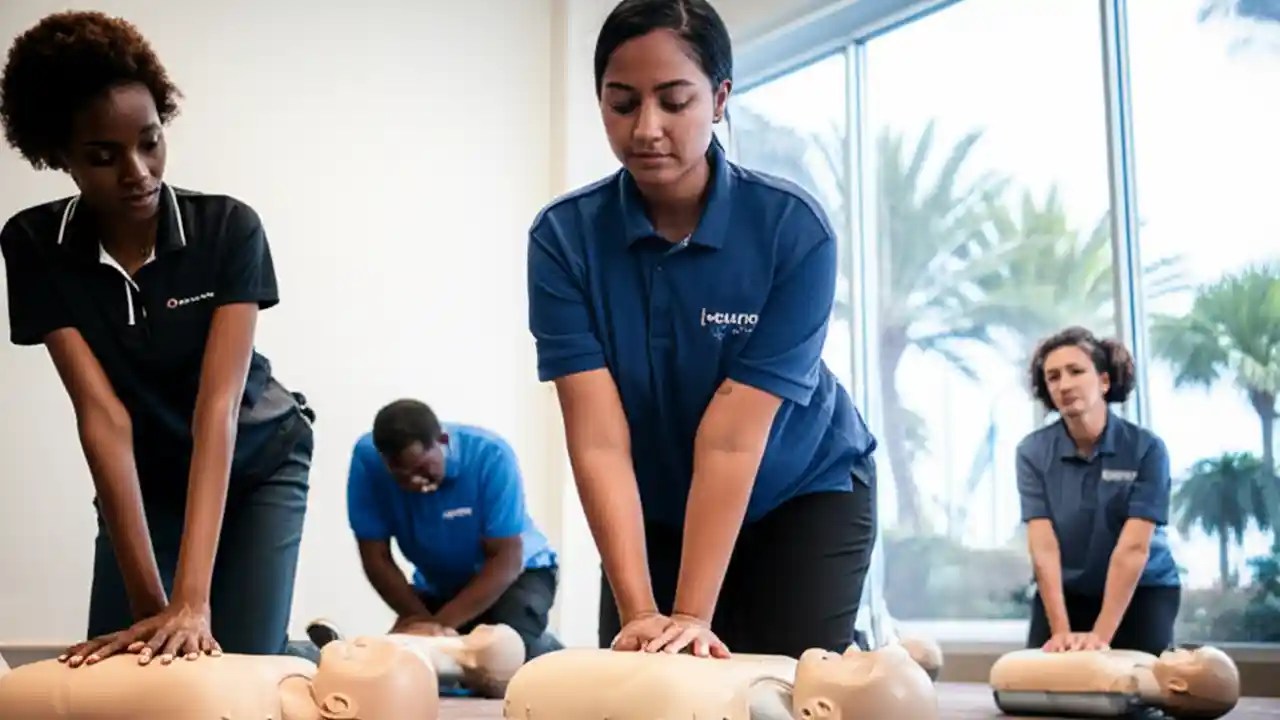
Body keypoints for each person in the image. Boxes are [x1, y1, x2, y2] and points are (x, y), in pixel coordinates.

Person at [525, 0, 879, 660]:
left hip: (798, 489)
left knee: (771, 689)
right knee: (644, 689)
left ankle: (849, 645)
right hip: (660, 502)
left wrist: (689, 615)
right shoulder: (563, 240)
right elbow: (599, 439)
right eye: (622, 103)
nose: (647, 128)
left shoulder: (791, 231)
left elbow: (731, 439)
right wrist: (642, 612)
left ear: (719, 99)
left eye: (674, 101)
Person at [0, 11, 315, 665]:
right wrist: (153, 609)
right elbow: (103, 416)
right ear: (58, 155)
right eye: (103, 156)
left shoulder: (228, 229)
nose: (138, 170)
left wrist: (191, 603)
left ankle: (304, 654)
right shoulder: (34, 245)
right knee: (130, 671)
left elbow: (217, 409)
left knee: (234, 667)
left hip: (256, 462)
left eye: (149, 141)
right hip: (146, 471)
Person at [309, 399, 562, 659]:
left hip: (517, 576)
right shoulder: (367, 461)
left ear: (442, 440)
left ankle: (546, 650)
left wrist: (439, 627)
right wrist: (418, 619)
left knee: (500, 657)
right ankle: (335, 654)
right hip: (441, 585)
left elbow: (506, 558)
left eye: (422, 469)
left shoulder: (491, 455)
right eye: (401, 476)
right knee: (406, 656)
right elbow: (376, 556)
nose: (415, 482)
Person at [1016, 326, 1181, 656]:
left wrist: (1100, 639)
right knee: (1035, 689)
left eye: (1076, 372)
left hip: (1142, 591)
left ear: (1104, 381)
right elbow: (1043, 548)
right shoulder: (1032, 452)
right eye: (1053, 377)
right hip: (1068, 594)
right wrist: (1061, 633)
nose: (1064, 384)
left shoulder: (1147, 449)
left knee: (1134, 690)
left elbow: (1133, 549)